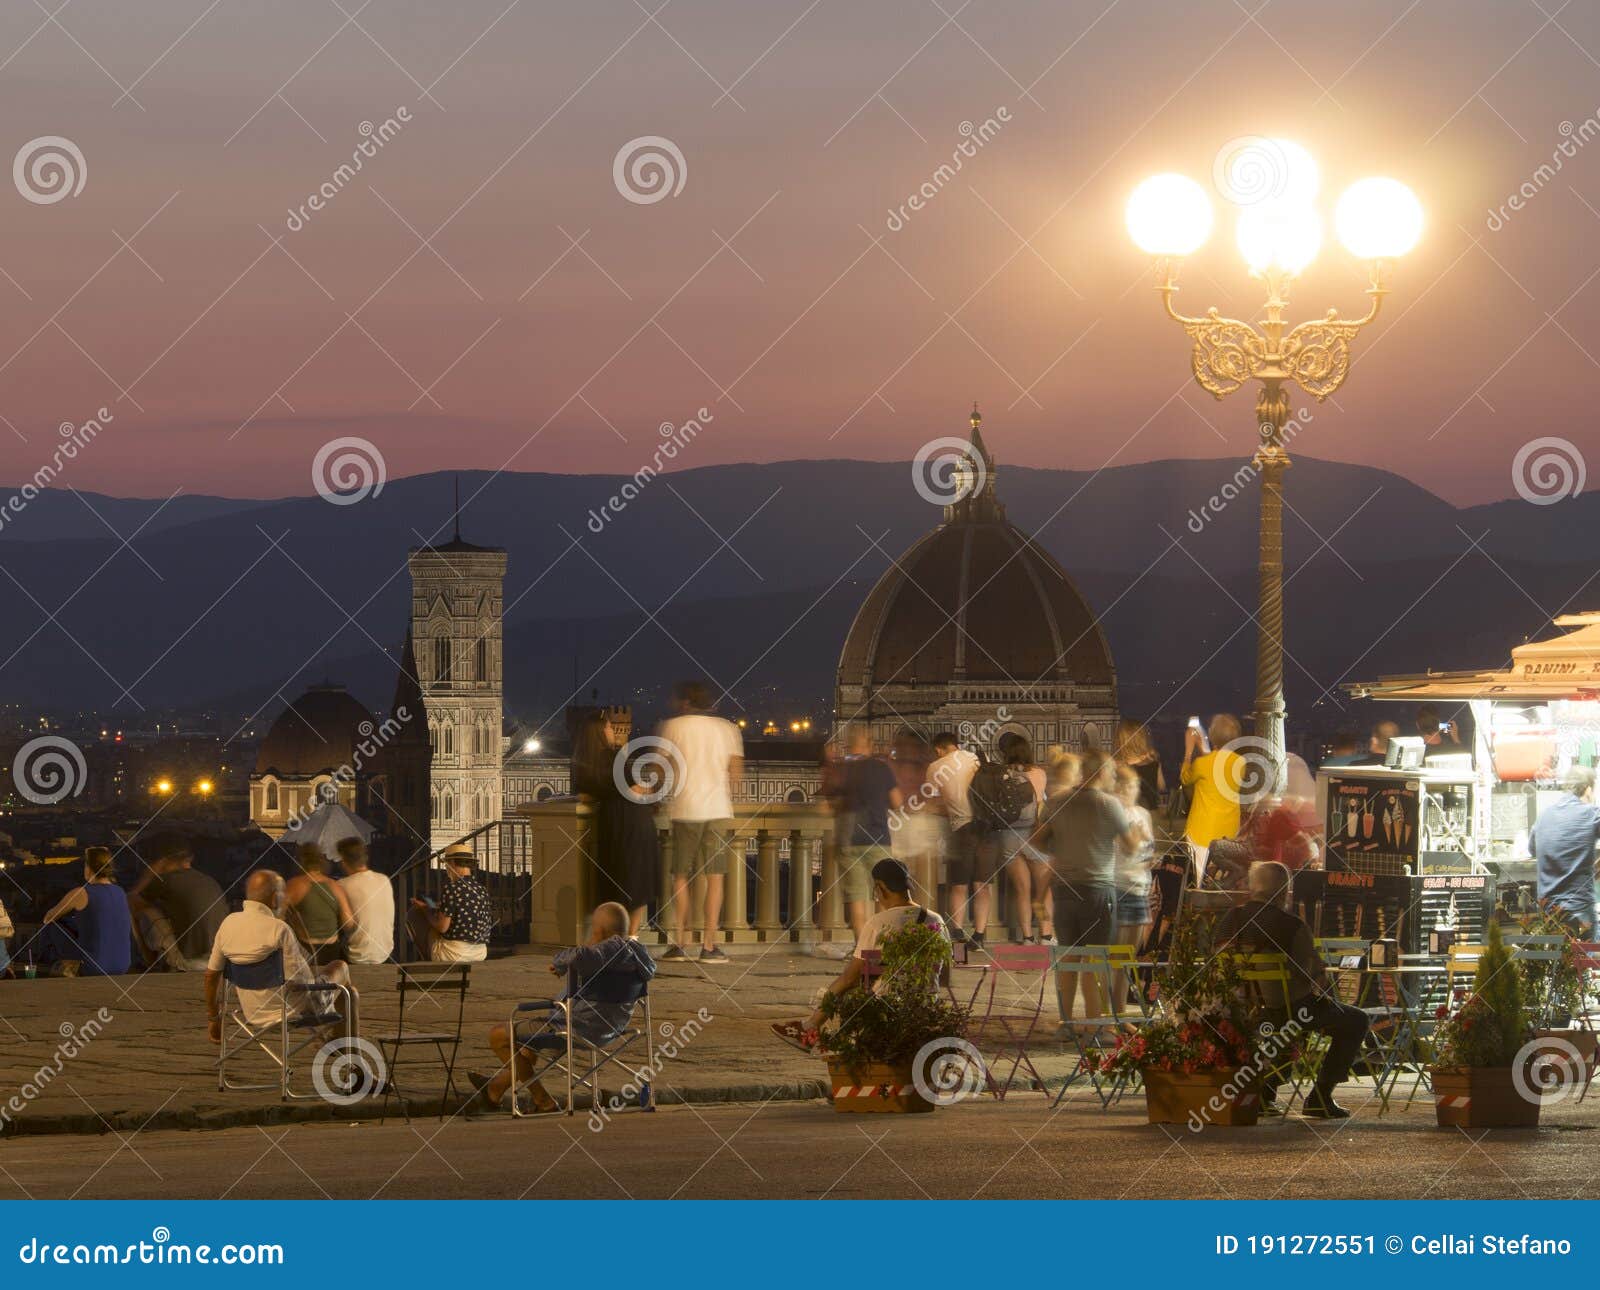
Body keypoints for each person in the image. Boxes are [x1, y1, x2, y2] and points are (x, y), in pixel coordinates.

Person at [1215, 861, 1369, 1119]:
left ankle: (1264, 1095)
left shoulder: (1228, 920)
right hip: (1289, 1012)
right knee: (1355, 1020)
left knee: (1289, 1023)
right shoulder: (1291, 926)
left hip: (1241, 1011)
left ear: (1253, 888)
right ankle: (1320, 1096)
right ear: (1285, 891)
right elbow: (1310, 974)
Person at [472, 901, 655, 1114]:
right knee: (527, 1049)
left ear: (598, 930)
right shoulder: (640, 957)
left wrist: (561, 962)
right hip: (611, 1030)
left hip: (574, 1027)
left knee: (498, 1036)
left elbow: (578, 955)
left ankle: (543, 1101)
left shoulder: (602, 952)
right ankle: (493, 1090)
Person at [770, 859, 949, 1048]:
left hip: (887, 1010)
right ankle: (811, 1029)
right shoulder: (935, 919)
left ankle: (811, 1028)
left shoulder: (878, 922)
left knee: (845, 985)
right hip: (927, 1007)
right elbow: (944, 975)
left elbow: (850, 977)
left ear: (880, 887)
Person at [1029, 750, 1136, 1025]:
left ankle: (1066, 1024)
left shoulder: (1057, 801)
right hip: (1097, 889)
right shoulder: (1109, 804)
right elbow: (1131, 846)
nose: (1113, 777)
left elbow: (1038, 841)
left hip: (1063, 890)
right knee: (1094, 960)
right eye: (1111, 772)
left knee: (1068, 957)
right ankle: (1094, 1025)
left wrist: (1065, 845)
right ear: (1100, 773)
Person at [205, 870, 358, 1044]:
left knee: (346, 990)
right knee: (343, 973)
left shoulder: (228, 924)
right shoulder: (280, 929)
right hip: (291, 1012)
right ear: (274, 898)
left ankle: (337, 1043)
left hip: (253, 1013)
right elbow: (302, 983)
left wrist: (213, 1019)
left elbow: (211, 976)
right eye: (282, 894)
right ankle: (348, 1052)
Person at [658, 679, 742, 964]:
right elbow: (736, 775)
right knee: (715, 878)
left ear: (685, 702)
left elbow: (659, 767)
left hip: (685, 809)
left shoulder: (673, 727)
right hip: (717, 810)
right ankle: (709, 945)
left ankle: (680, 942)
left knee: (680, 876)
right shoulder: (728, 729)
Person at [835, 727, 902, 939]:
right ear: (870, 745)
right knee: (884, 896)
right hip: (878, 838)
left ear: (850, 745)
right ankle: (880, 946)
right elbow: (898, 802)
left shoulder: (844, 769)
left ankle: (862, 949)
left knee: (857, 898)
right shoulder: (882, 769)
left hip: (850, 840)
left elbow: (833, 805)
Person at [127, 838, 225, 972]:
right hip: (217, 961)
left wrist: (150, 873)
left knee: (142, 910)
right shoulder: (209, 881)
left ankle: (150, 964)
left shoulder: (167, 879)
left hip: (188, 963)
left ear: (164, 861)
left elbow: (131, 898)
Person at [37, 847, 133, 977]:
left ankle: (57, 965)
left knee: (51, 927)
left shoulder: (81, 893)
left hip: (93, 967)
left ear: (89, 868)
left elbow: (48, 918)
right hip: (122, 966)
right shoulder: (120, 892)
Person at [928, 732, 986, 947]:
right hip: (986, 828)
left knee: (958, 883)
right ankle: (979, 935)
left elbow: (934, 803)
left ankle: (958, 933)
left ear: (938, 749)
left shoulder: (935, 767)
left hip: (961, 828)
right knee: (982, 884)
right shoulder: (975, 758)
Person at [1532, 767, 1600, 938]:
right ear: (1588, 789)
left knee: (1557, 958)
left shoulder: (1543, 816)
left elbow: (1533, 849)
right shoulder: (1592, 813)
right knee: (1586, 958)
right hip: (1580, 905)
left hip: (1548, 905)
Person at [997, 736, 1051, 944]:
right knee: (1043, 889)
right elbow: (1040, 804)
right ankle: (1046, 935)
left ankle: (1027, 937)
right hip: (1034, 834)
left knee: (1022, 890)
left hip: (1009, 835)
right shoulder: (1038, 773)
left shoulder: (1002, 775)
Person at [1180, 713, 1245, 884]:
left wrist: (1189, 751)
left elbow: (1186, 778)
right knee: (1221, 884)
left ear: (1212, 735)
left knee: (1200, 883)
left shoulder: (1202, 764)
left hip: (1201, 831)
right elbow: (1218, 768)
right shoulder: (1241, 763)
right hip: (1229, 833)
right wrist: (1205, 749)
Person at [407, 843, 493, 962]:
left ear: (451, 863)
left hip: (455, 954)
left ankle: (425, 960)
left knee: (418, 918)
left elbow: (442, 927)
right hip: (480, 953)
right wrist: (431, 906)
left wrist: (425, 910)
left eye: (446, 864)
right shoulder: (482, 890)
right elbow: (463, 910)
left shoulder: (451, 888)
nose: (446, 868)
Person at [1112, 764, 1156, 983]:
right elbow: (1125, 847)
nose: (1132, 790)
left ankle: (1119, 1012)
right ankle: (1106, 1009)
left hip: (1140, 888)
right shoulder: (1114, 813)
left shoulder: (1143, 814)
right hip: (1119, 886)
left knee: (1129, 959)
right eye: (1128, 785)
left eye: (1135, 785)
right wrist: (1136, 838)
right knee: (1116, 958)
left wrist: (1149, 859)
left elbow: (1147, 848)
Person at [285, 844, 353, 967]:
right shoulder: (335, 886)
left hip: (305, 950)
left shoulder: (294, 886)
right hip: (332, 950)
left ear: (300, 861)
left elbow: (278, 919)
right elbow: (349, 922)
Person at [336, 836, 395, 964]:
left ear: (343, 862)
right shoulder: (384, 880)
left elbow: (345, 924)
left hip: (356, 957)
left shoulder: (342, 885)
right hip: (384, 954)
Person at [1114, 718, 1166, 813]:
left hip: (1124, 814)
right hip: (1150, 813)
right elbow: (1161, 787)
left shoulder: (1117, 766)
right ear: (1143, 738)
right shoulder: (1154, 762)